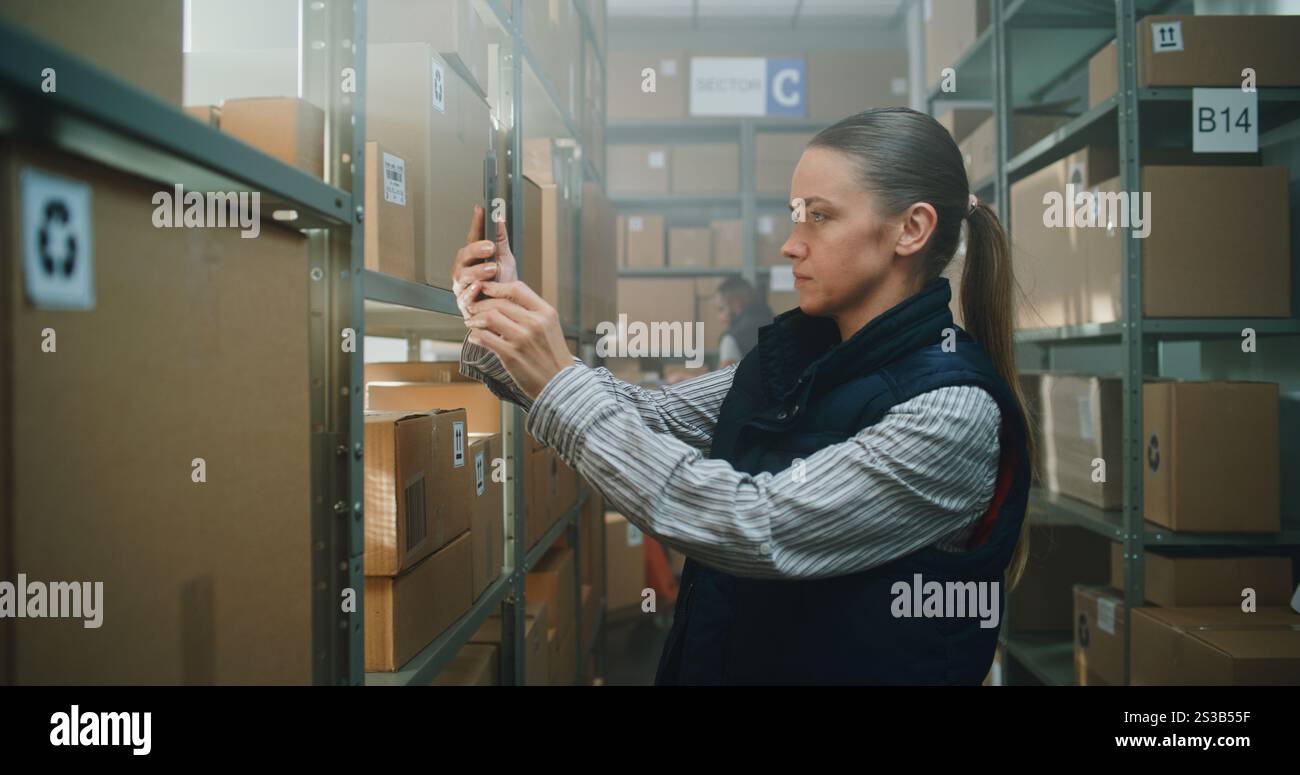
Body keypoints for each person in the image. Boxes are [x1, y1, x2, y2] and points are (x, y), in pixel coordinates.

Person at [450, 107, 1037, 686]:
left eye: (820, 218)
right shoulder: (794, 358)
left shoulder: (952, 410)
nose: (789, 245)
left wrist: (560, 379)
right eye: (795, 216)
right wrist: (499, 325)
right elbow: (647, 416)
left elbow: (758, 525)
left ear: (911, 229)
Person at [714, 276, 773, 367]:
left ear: (736, 303)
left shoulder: (731, 338)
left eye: (721, 309)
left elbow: (726, 380)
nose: (719, 317)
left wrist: (687, 377)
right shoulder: (778, 323)